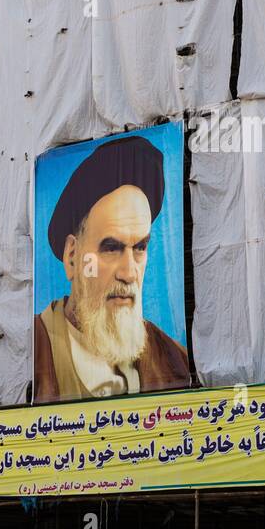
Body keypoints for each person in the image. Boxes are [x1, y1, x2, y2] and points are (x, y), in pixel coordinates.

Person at [34, 134, 189, 403]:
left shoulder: (173, 358)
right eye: (111, 248)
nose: (129, 273)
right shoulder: (32, 351)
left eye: (139, 247)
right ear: (72, 257)